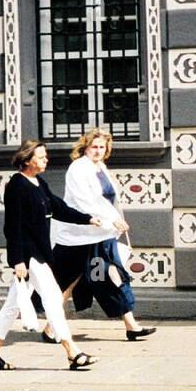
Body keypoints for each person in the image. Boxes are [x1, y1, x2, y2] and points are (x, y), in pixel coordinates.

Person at [0, 140, 123, 371]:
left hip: (39, 255)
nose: (46, 160)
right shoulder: (17, 185)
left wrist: (87, 218)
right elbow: (12, 227)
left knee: (12, 306)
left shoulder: (38, 183)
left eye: (45, 156)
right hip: (28, 257)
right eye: (41, 157)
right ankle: (72, 352)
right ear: (27, 161)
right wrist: (17, 260)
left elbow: (58, 207)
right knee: (53, 300)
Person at [46, 127, 157, 342]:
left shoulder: (100, 167)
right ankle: (51, 328)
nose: (97, 151)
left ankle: (131, 325)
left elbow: (111, 200)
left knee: (112, 275)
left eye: (101, 147)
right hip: (79, 236)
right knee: (69, 283)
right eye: (94, 147)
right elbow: (85, 201)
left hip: (100, 235)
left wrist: (116, 222)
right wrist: (110, 220)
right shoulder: (78, 169)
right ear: (85, 147)